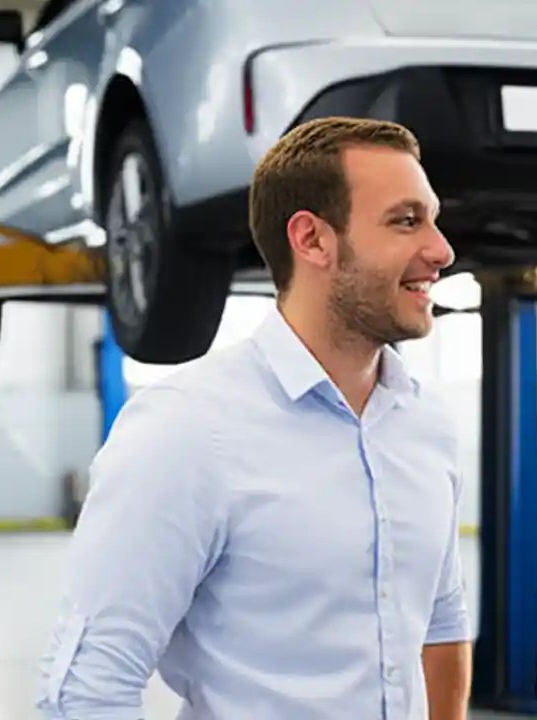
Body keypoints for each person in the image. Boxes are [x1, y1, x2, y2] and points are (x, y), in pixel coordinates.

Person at [35, 117, 472, 719]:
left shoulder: (427, 423)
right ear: (313, 240)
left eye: (433, 218)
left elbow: (440, 622)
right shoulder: (187, 429)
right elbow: (88, 687)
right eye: (405, 221)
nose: (441, 250)